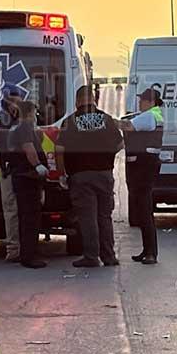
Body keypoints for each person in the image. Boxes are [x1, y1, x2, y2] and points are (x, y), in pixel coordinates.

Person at [56, 86, 123, 268]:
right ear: (93, 99)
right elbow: (120, 144)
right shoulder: (107, 119)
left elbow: (59, 150)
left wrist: (62, 173)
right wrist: (105, 157)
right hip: (104, 175)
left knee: (88, 217)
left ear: (78, 101)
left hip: (80, 176)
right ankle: (109, 256)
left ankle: (91, 256)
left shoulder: (70, 122)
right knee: (104, 216)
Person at [121, 88, 164, 265]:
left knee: (145, 210)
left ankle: (151, 253)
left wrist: (107, 121)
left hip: (143, 166)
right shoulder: (153, 115)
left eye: (142, 100)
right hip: (144, 165)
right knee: (142, 209)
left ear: (150, 102)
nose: (140, 103)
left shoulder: (149, 116)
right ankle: (147, 250)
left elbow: (128, 126)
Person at [9, 100, 49, 268]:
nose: (36, 116)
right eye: (34, 113)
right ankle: (29, 257)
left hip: (22, 177)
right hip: (27, 177)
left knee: (26, 217)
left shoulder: (20, 128)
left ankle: (27, 253)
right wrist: (37, 165)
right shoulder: (25, 127)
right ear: (30, 113)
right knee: (30, 218)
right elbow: (28, 148)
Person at [0, 90, 23, 262]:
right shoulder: (4, 120)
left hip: (21, 171)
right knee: (12, 210)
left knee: (21, 211)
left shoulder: (21, 118)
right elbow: (6, 144)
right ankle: (14, 249)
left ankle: (20, 247)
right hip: (10, 170)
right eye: (14, 103)